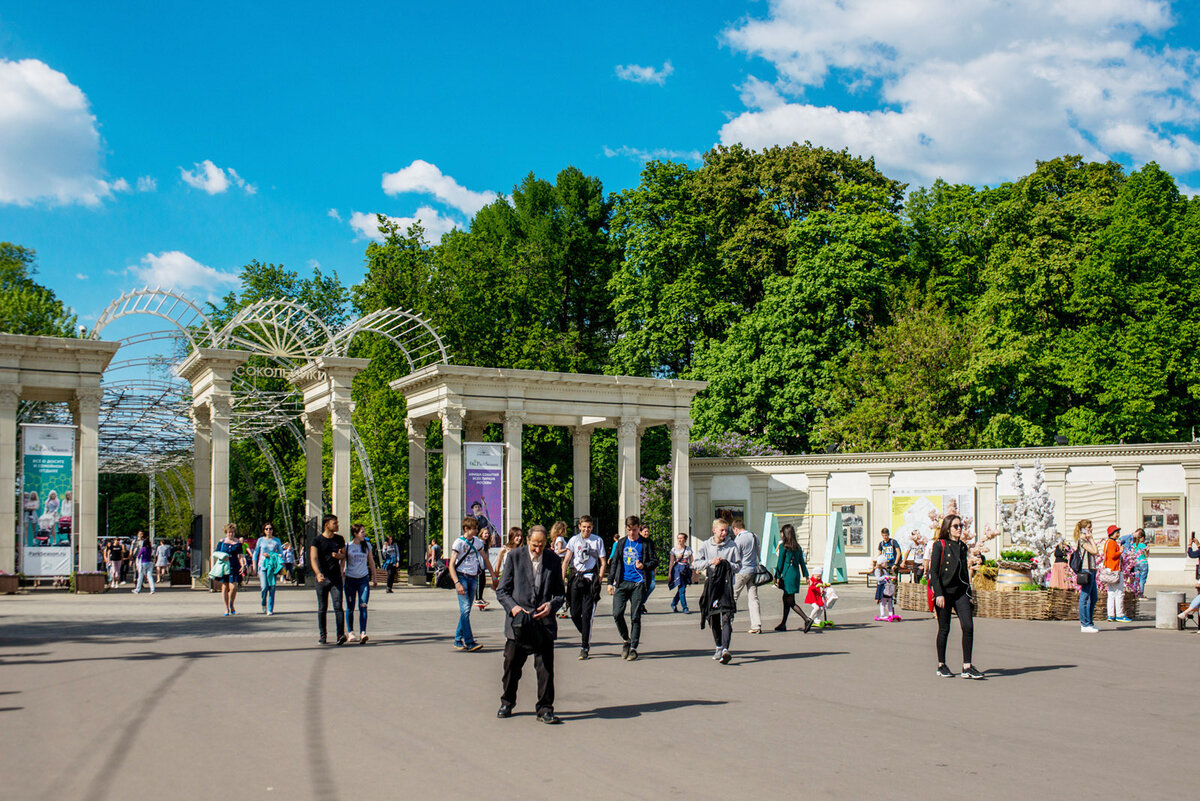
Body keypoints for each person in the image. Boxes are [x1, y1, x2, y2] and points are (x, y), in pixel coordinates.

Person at [495, 525, 566, 724]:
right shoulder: (515, 557)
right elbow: (502, 591)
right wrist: (514, 608)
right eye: (535, 545)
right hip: (519, 622)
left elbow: (560, 594)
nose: (537, 549)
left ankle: (545, 708)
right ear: (528, 541)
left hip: (543, 623)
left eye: (541, 545)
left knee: (545, 669)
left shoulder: (552, 559)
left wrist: (551, 605)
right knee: (511, 666)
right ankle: (507, 702)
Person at [929, 514, 984, 679]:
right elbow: (933, 572)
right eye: (956, 526)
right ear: (947, 528)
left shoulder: (962, 547)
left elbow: (963, 573)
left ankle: (967, 666)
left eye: (960, 526)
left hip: (960, 592)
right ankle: (941, 665)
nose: (959, 529)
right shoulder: (940, 545)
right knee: (944, 629)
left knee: (968, 626)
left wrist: (969, 594)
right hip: (945, 593)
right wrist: (938, 593)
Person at [606, 515, 656, 661]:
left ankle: (633, 648)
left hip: (638, 583)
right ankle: (626, 640)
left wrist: (644, 566)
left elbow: (654, 561)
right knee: (617, 613)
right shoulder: (622, 543)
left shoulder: (646, 543)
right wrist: (610, 582)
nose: (632, 533)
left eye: (634, 530)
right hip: (622, 583)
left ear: (639, 528)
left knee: (635, 616)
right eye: (629, 530)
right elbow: (615, 562)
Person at [694, 518, 741, 664]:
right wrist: (710, 562)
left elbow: (738, 566)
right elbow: (696, 563)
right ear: (714, 530)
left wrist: (727, 564)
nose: (724, 533)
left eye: (726, 530)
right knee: (713, 617)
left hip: (726, 586)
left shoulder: (732, 545)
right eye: (721, 530)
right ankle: (719, 646)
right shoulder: (706, 545)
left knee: (726, 616)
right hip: (712, 585)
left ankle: (726, 649)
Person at [563, 515, 606, 659]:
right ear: (579, 526)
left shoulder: (597, 540)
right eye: (584, 527)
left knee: (587, 615)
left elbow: (603, 561)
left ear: (592, 527)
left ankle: (584, 647)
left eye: (589, 527)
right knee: (575, 613)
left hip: (590, 580)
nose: (586, 529)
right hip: (576, 579)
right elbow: (567, 559)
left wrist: (599, 577)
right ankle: (585, 633)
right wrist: (562, 578)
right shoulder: (574, 540)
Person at [448, 517, 492, 652]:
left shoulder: (477, 542)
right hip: (462, 577)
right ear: (467, 529)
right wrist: (457, 583)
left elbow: (484, 558)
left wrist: (494, 576)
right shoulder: (458, 543)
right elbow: (451, 565)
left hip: (473, 578)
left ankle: (457, 639)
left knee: (465, 611)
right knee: (466, 610)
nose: (477, 530)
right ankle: (469, 641)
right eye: (474, 528)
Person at [310, 514, 347, 645]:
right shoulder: (317, 540)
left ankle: (340, 635)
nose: (337, 525)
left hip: (335, 577)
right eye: (334, 523)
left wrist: (339, 556)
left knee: (338, 606)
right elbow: (313, 558)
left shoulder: (339, 539)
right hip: (322, 578)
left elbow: (344, 555)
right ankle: (323, 635)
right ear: (327, 525)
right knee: (322, 608)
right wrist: (318, 573)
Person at [772, 523, 812, 632]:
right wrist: (807, 575)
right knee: (786, 599)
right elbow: (802, 563)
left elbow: (780, 563)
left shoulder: (783, 546)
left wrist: (777, 575)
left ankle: (807, 619)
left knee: (791, 601)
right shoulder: (797, 547)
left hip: (787, 575)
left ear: (785, 534)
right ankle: (783, 624)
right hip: (795, 575)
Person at [343, 524, 376, 643]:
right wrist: (342, 577)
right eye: (362, 532)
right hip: (350, 579)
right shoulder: (348, 546)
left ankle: (363, 632)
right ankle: (351, 632)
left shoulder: (367, 546)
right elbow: (343, 562)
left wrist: (375, 577)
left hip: (363, 579)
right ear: (355, 534)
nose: (364, 533)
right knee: (350, 607)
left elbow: (371, 561)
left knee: (363, 605)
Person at [730, 518, 763, 634]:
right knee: (753, 598)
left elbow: (735, 555)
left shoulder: (739, 539)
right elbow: (759, 552)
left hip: (742, 571)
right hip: (753, 570)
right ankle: (756, 625)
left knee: (733, 596)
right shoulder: (754, 536)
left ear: (736, 528)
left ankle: (727, 623)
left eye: (733, 530)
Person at [1074, 519, 1100, 633]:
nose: (1091, 529)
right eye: (1089, 527)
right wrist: (1091, 538)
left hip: (1092, 570)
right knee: (1084, 597)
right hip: (1086, 570)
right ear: (1083, 529)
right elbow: (1095, 551)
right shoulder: (1082, 540)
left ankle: (1090, 622)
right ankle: (1084, 624)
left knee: (1094, 597)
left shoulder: (1087, 540)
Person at [1101, 524, 1131, 623]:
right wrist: (1120, 551)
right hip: (1115, 570)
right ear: (1112, 533)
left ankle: (1111, 614)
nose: (1118, 534)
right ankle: (1119, 614)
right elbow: (1113, 556)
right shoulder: (1112, 543)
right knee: (1119, 593)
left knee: (1111, 593)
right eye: (1116, 532)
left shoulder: (1107, 542)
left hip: (1109, 570)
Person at [215, 523, 246, 615]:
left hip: (234, 565)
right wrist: (222, 557)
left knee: (233, 587)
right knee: (224, 587)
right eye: (229, 532)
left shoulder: (238, 543)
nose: (231, 534)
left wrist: (242, 565)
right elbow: (216, 552)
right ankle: (226, 608)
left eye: (232, 532)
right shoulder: (222, 542)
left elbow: (240, 555)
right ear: (226, 532)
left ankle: (231, 603)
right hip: (224, 565)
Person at [253, 523, 283, 615]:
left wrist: (272, 555)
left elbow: (281, 554)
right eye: (266, 529)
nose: (268, 530)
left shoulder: (277, 541)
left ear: (273, 530)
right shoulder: (260, 540)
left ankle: (270, 608)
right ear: (264, 530)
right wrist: (254, 566)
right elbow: (256, 552)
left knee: (272, 587)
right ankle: (263, 603)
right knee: (264, 587)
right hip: (262, 566)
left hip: (272, 566)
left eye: (270, 529)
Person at [549, 521, 571, 618]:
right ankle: (560, 607)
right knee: (561, 584)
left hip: (558, 561)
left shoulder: (556, 539)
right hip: (561, 560)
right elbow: (559, 551)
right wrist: (568, 548)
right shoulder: (560, 539)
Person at [668, 532, 693, 614]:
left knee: (682, 588)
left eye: (681, 538)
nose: (679, 540)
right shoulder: (674, 550)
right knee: (682, 589)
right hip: (678, 570)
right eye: (678, 538)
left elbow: (692, 561)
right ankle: (685, 607)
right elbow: (671, 562)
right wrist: (669, 573)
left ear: (685, 539)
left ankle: (674, 603)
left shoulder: (688, 549)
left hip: (686, 570)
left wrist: (695, 571)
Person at [874, 555, 899, 621]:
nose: (886, 564)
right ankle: (882, 614)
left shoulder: (885, 570)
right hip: (882, 587)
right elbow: (878, 578)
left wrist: (891, 578)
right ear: (881, 563)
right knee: (883, 601)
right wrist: (885, 577)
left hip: (887, 587)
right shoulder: (878, 570)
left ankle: (891, 614)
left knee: (890, 601)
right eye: (885, 562)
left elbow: (888, 576)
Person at [1127, 529, 1149, 598]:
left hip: (1136, 563)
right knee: (1142, 580)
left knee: (1136, 579)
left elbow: (1132, 555)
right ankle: (1140, 594)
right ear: (1142, 538)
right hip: (1144, 563)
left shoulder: (1133, 545)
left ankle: (1134, 593)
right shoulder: (1144, 546)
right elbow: (1146, 555)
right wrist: (1147, 550)